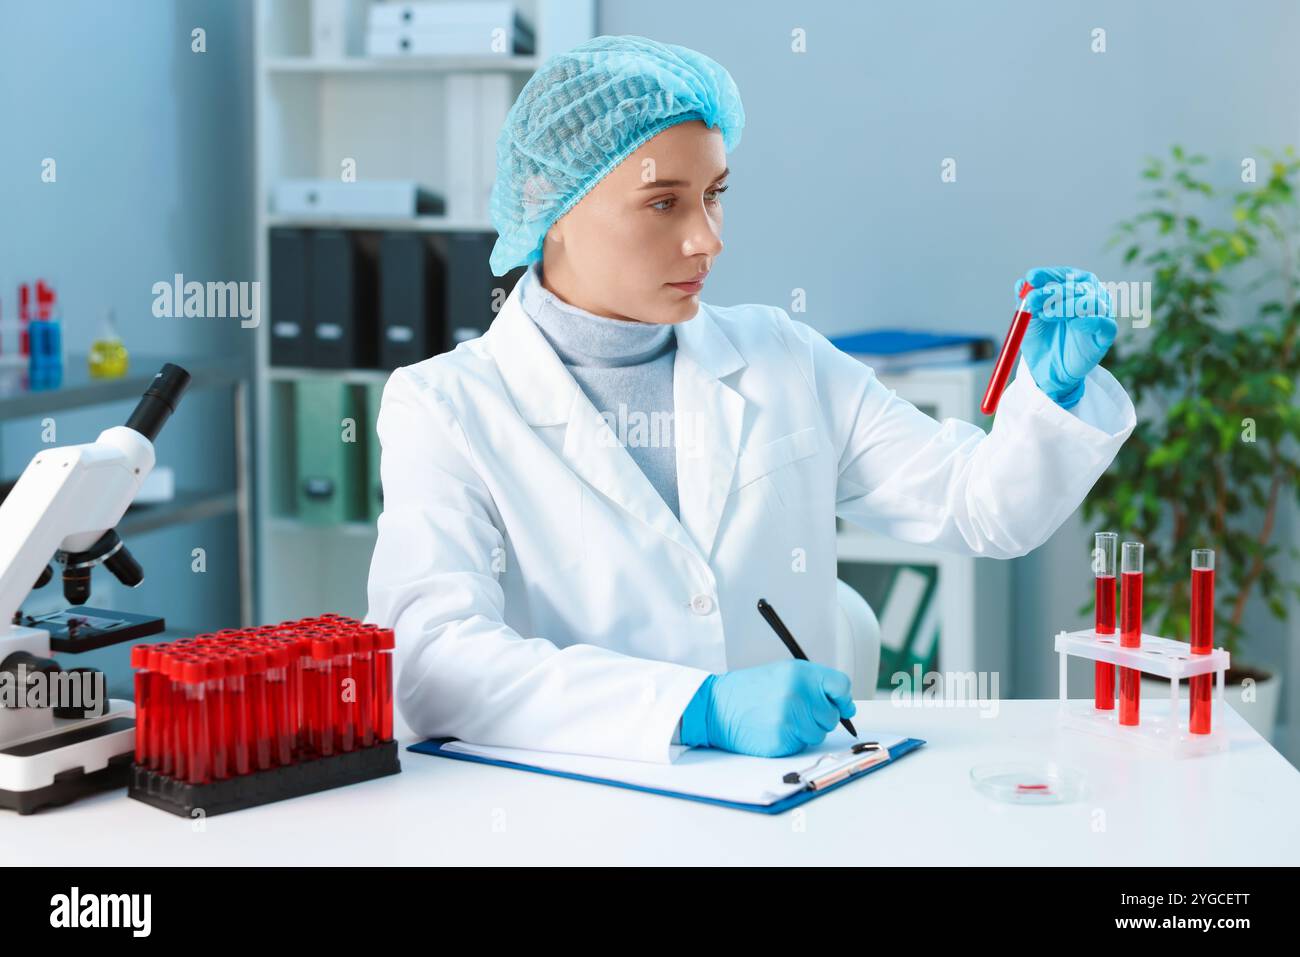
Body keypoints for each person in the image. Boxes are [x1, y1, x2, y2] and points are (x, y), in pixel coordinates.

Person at [365, 35, 1136, 763]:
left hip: (792, 801)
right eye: (664, 202)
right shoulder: (445, 407)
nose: (708, 239)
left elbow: (978, 509)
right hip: (577, 814)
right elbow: (433, 658)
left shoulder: (779, 357)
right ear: (548, 201)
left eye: (715, 194)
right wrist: (694, 705)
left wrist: (1049, 396)